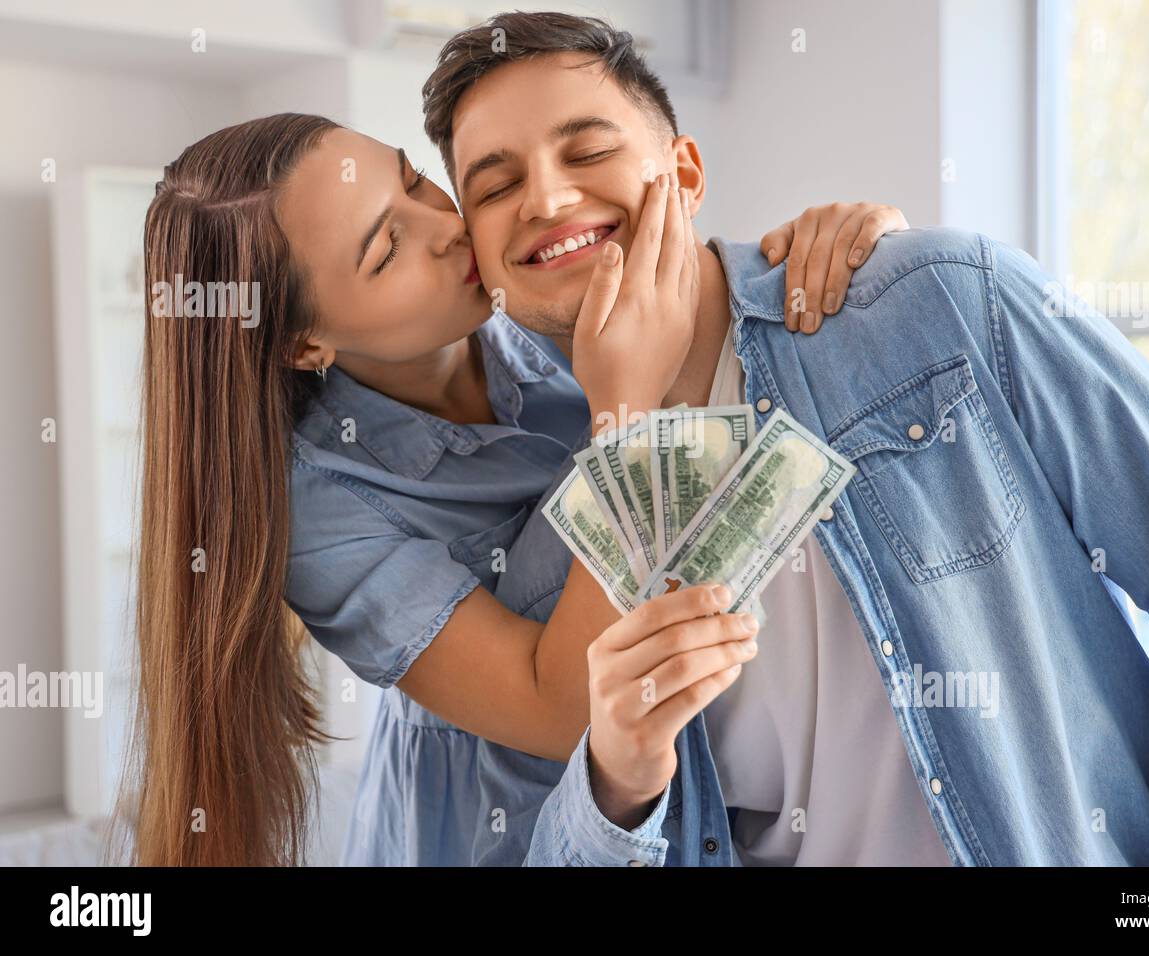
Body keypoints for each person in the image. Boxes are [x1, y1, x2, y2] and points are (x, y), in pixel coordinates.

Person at [420, 11, 1149, 866]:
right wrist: (617, 787)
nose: (546, 197)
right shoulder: (550, 557)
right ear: (479, 253)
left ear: (684, 176)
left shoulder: (937, 301)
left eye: (589, 150)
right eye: (495, 187)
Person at [120, 104, 908, 865]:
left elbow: (720, 318)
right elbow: (566, 709)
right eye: (387, 249)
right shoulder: (320, 509)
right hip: (499, 820)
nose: (448, 228)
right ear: (304, 343)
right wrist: (621, 414)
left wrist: (854, 264)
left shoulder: (539, 288)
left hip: (697, 788)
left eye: (414, 181)